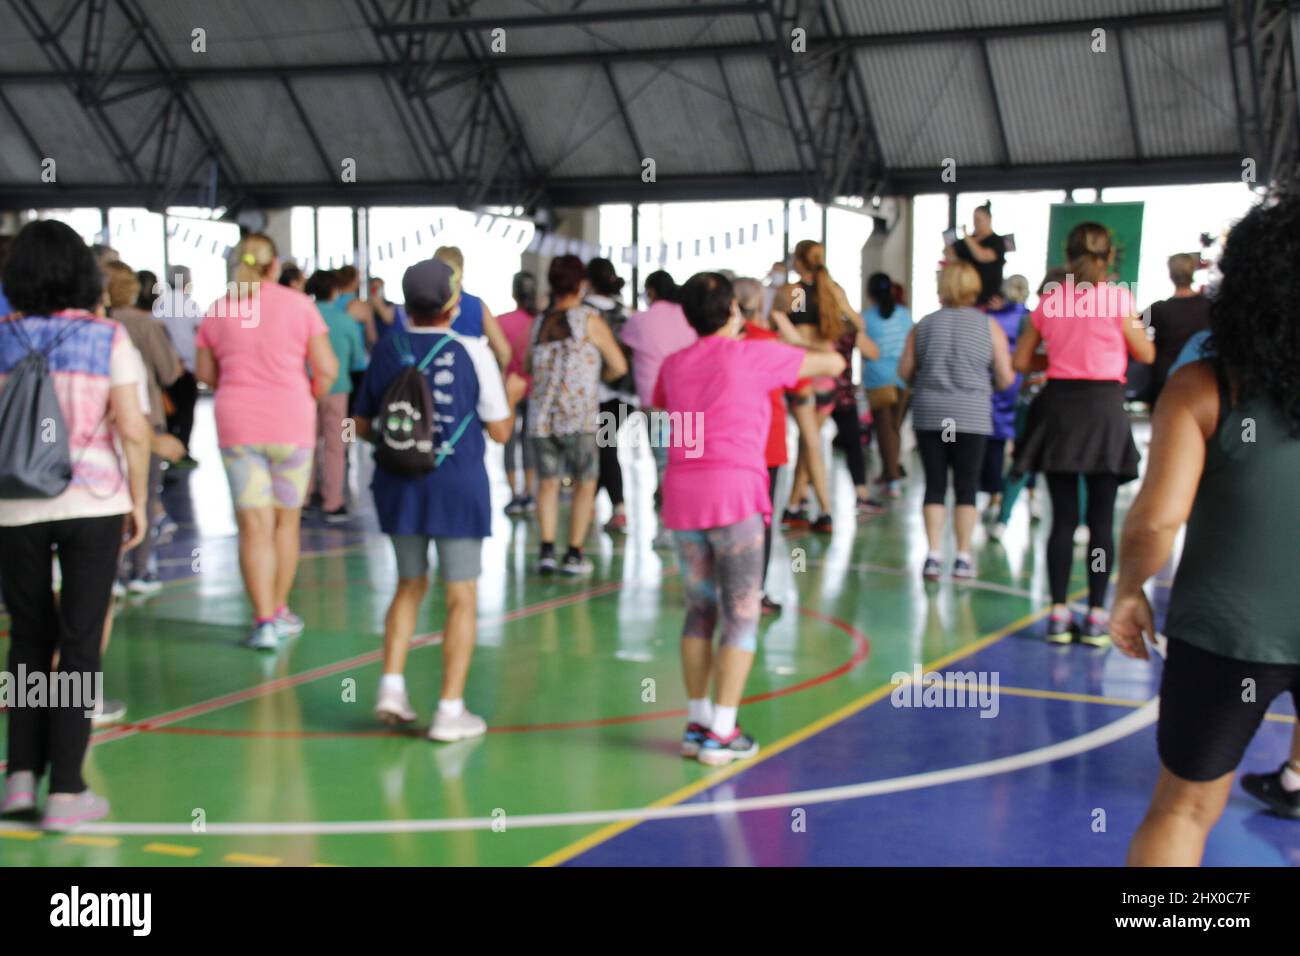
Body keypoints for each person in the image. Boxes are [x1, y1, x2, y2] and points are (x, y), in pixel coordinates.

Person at [1111, 197, 1300, 864]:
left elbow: (1160, 516)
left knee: (1184, 811)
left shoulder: (1203, 387)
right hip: (1228, 629)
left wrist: (1131, 586)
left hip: (1226, 632)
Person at [656, 272, 844, 765]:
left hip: (683, 497)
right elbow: (834, 362)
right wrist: (785, 329)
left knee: (698, 611)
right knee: (740, 615)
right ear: (736, 313)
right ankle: (723, 729)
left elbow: (663, 405)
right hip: (735, 497)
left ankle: (698, 722)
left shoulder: (673, 365)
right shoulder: (755, 354)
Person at [0, 219, 152, 829]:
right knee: (80, 641)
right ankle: (67, 789)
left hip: (13, 504)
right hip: (92, 502)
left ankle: (18, 779)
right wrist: (138, 501)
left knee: (28, 641)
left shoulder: (2, 337)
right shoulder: (105, 338)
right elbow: (134, 430)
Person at [354, 257, 526, 739]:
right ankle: (450, 709)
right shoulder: (473, 352)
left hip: (396, 484)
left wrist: (405, 444)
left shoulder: (388, 349)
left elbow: (363, 424)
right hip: (457, 486)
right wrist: (510, 395)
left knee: (408, 584)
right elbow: (498, 430)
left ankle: (391, 685)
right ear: (454, 305)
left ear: (406, 305)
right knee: (460, 596)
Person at [1012, 223, 1155, 644]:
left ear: (1067, 254)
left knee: (1062, 519)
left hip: (1060, 409)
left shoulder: (1052, 301)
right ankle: (1095, 615)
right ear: (1109, 256)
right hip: (1104, 410)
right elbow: (1145, 352)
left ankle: (1058, 613)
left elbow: (1022, 361)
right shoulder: (1118, 299)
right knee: (1100, 520)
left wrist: (1058, 359)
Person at [195, 233, 339, 650]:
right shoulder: (300, 306)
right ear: (275, 266)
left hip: (237, 425)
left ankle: (263, 622)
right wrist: (306, 394)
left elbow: (206, 373)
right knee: (285, 523)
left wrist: (239, 388)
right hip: (291, 423)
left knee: (253, 526)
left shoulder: (219, 309)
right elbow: (326, 368)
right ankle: (279, 608)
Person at [898, 261, 1015, 581]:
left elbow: (904, 372)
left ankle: (933, 555)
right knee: (966, 488)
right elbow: (1005, 377)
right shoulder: (989, 327)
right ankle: (963, 556)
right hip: (971, 417)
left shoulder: (923, 326)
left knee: (934, 485)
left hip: (932, 414)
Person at [525, 255, 627, 575]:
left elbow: (529, 365)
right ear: (581, 283)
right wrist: (598, 374)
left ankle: (545, 550)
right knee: (585, 482)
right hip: (580, 417)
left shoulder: (540, 322)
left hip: (542, 417)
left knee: (548, 484)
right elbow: (619, 365)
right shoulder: (589, 320)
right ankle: (573, 553)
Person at [772, 239, 873, 533]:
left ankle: (823, 510)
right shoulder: (833, 289)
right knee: (810, 440)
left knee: (811, 442)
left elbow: (781, 331)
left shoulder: (793, 293)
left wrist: (799, 339)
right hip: (828, 375)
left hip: (804, 373)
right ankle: (795, 505)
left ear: (799, 261)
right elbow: (857, 324)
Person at [104, 261, 184, 594]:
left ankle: (112, 572)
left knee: (111, 494)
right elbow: (170, 372)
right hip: (145, 416)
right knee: (146, 493)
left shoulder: (98, 324)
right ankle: (140, 568)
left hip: (105, 421)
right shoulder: (145, 326)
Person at [620, 269, 697, 542]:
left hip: (656, 404)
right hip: (689, 402)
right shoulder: (689, 317)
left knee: (665, 465)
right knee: (688, 462)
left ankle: (669, 526)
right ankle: (689, 521)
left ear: (650, 292)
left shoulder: (640, 321)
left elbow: (623, 343)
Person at [734, 277, 788, 615]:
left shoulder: (720, 343)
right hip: (767, 444)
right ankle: (754, 591)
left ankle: (725, 588)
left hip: (733, 445)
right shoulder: (770, 344)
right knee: (762, 523)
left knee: (731, 519)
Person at [306, 269, 367, 522]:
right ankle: (334, 501)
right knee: (337, 444)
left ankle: (303, 498)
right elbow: (358, 360)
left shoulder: (302, 317)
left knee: (306, 444)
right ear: (336, 290)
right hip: (339, 390)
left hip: (305, 391)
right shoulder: (346, 320)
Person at [584, 257, 636, 533]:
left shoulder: (583, 312)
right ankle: (594, 501)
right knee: (605, 446)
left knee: (603, 449)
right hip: (627, 395)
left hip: (596, 394)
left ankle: (617, 507)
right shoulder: (625, 312)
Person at [979, 275, 1030, 521]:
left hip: (997, 384)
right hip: (1025, 386)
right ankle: (1032, 495)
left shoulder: (991, 318)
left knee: (995, 442)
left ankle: (994, 496)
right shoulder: (1032, 318)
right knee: (1028, 445)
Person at [862, 272, 911, 499]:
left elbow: (864, 349)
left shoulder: (867, 319)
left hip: (879, 380)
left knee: (884, 431)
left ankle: (892, 479)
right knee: (894, 428)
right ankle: (889, 471)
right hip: (903, 378)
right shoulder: (904, 315)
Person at [1141, 252, 1211, 407]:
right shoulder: (1210, 308)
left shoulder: (1157, 310)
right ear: (1193, 271)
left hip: (1165, 383)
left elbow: (1135, 329)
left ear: (1170, 275)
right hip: (1203, 380)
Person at [497, 271, 539, 516]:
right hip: (534, 388)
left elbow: (497, 356)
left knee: (509, 442)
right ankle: (530, 495)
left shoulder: (501, 322)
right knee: (529, 442)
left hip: (508, 389)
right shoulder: (539, 321)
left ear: (513, 293)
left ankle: (515, 495)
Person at [433, 246, 511, 369]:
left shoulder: (424, 304)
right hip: (466, 375)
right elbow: (503, 353)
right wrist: (486, 373)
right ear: (462, 269)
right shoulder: (476, 305)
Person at [155, 265, 201, 467]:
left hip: (166, 366)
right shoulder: (189, 304)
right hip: (187, 367)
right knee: (186, 411)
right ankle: (182, 450)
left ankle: (169, 450)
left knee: (169, 410)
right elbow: (200, 331)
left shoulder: (160, 303)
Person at [945, 202, 1007, 305]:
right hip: (966, 299)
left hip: (988, 300)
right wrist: (948, 246)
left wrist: (966, 236)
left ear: (988, 219)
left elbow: (982, 256)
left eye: (979, 220)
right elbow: (953, 259)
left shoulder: (997, 241)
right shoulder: (965, 242)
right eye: (974, 220)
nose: (975, 223)